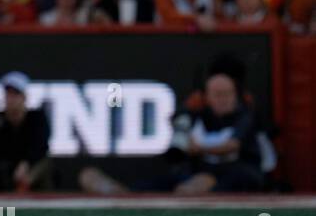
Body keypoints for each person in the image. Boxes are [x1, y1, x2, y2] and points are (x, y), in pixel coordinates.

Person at [81, 70, 267, 193]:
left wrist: (200, 149)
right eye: (218, 94)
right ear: (207, 97)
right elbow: (176, 133)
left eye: (227, 94)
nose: (223, 99)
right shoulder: (198, 114)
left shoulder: (245, 115)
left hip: (237, 172)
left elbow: (233, 145)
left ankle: (193, 192)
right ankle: (121, 193)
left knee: (225, 178)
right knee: (168, 180)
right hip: (199, 172)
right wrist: (183, 115)